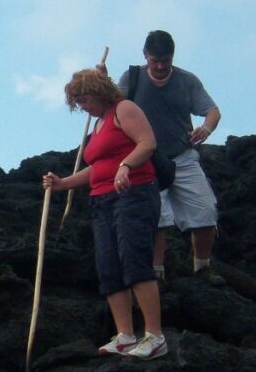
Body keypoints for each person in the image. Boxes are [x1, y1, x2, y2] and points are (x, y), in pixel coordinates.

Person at [42, 69, 167, 361]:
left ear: (99, 92)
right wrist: (64, 183)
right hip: (101, 200)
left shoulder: (124, 109)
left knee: (134, 259)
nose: (82, 106)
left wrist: (126, 166)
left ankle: (155, 336)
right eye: (78, 102)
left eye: (84, 99)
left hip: (133, 194)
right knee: (109, 266)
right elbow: (97, 168)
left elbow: (147, 142)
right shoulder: (98, 125)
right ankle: (125, 336)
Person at [115, 30, 224, 287]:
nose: (161, 66)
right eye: (156, 61)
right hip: (146, 158)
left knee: (206, 210)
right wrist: (100, 80)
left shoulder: (187, 80)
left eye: (166, 60)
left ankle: (202, 266)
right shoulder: (132, 78)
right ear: (145, 56)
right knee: (158, 218)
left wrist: (206, 129)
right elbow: (113, 108)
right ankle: (157, 273)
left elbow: (212, 111)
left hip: (182, 156)